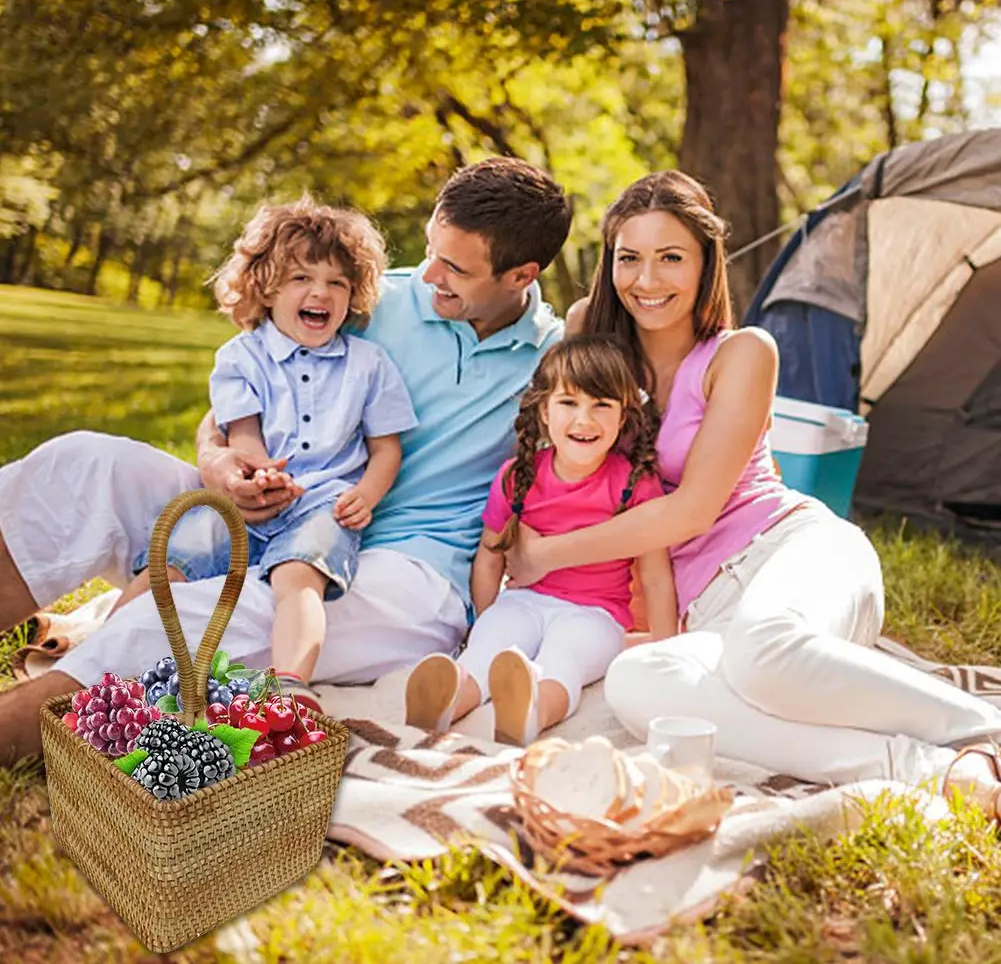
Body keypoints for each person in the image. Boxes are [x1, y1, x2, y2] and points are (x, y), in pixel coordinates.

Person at [0, 157, 571, 765]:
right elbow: (236, 395)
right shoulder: (370, 300)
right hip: (266, 508)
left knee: (211, 611)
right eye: (432, 248)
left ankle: (26, 727)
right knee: (84, 461)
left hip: (406, 568)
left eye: (455, 267)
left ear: (521, 275)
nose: (430, 273)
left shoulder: (555, 361)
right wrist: (220, 462)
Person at [504, 170, 1001, 807]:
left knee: (766, 652)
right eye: (629, 258)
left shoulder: (742, 353)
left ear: (707, 262)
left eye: (671, 258)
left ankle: (982, 731)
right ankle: (923, 767)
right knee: (636, 683)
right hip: (701, 612)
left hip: (790, 552)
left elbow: (693, 509)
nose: (647, 281)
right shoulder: (589, 337)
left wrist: (545, 553)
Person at [109, 199, 419, 705]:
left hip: (325, 501)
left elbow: (387, 447)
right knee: (171, 563)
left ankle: (290, 686)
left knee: (301, 578)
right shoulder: (240, 357)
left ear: (353, 295)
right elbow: (242, 434)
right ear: (267, 287)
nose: (320, 292)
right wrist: (256, 477)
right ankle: (98, 665)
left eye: (337, 283)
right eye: (301, 278)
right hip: (247, 496)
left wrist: (367, 493)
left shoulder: (369, 364)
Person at [404, 335, 675, 745]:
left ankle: (530, 711)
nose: (584, 420)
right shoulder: (518, 475)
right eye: (569, 403)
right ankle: (447, 698)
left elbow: (655, 575)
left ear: (623, 417)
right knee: (489, 648)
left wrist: (666, 648)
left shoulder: (635, 483)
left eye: (601, 406)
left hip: (596, 615)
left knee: (562, 659)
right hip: (523, 600)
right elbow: (490, 558)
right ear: (544, 411)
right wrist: (484, 618)